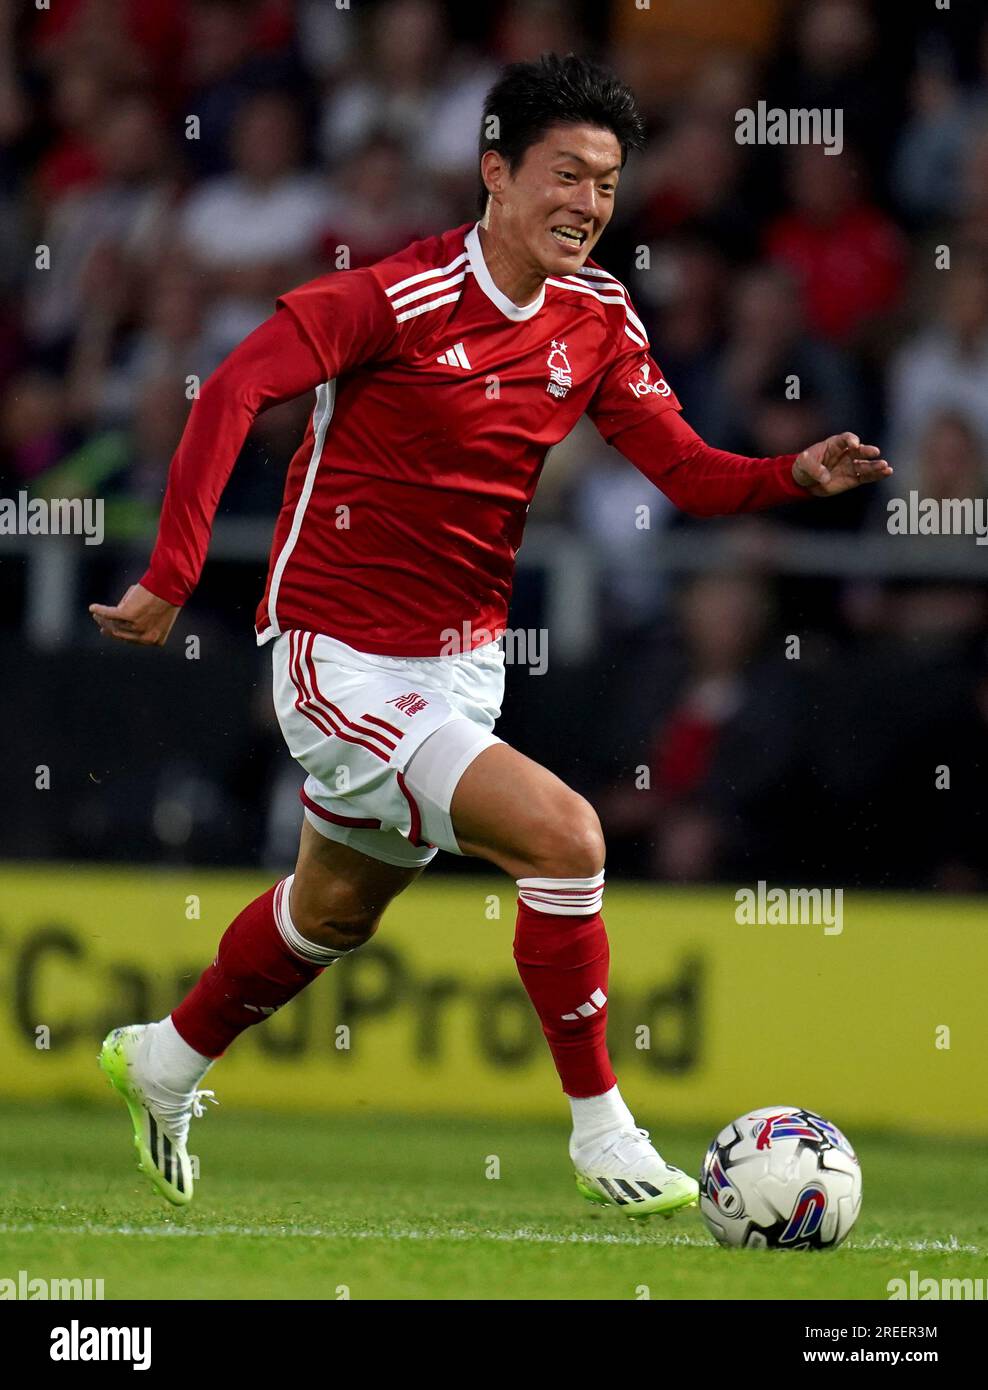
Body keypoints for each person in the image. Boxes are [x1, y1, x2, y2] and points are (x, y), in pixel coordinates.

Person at [90, 53, 891, 1218]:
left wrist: (789, 472)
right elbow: (229, 392)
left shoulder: (597, 316)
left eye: (608, 182)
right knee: (566, 839)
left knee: (333, 913)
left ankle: (160, 1059)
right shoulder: (394, 298)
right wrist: (170, 574)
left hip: (462, 666)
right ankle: (599, 1131)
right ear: (494, 172)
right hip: (336, 656)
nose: (588, 203)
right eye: (565, 174)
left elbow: (686, 472)